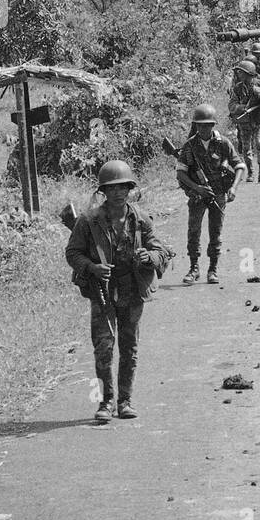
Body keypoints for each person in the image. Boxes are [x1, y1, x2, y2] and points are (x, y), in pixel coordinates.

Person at [65, 160, 173, 422]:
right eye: (112, 188)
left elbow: (162, 250)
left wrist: (150, 257)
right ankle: (106, 402)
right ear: (103, 191)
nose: (118, 193)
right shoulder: (88, 221)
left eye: (123, 187)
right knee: (103, 347)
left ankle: (125, 401)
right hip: (102, 291)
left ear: (130, 189)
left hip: (133, 289)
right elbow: (72, 253)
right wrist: (91, 267)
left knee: (129, 347)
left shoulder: (140, 219)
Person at [171, 104, 246, 285]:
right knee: (194, 232)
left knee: (216, 233)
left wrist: (233, 188)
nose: (203, 128)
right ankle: (194, 268)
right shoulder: (189, 146)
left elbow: (240, 166)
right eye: (200, 125)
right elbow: (181, 172)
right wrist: (197, 188)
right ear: (195, 126)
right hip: (197, 195)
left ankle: (213, 269)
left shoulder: (223, 143)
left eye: (207, 125)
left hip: (218, 194)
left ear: (213, 125)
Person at [229, 59, 260, 183]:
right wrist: (243, 107)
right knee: (246, 148)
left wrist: (258, 92)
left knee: (259, 144)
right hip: (245, 122)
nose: (238, 74)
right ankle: (250, 172)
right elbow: (231, 106)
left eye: (241, 72)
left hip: (259, 120)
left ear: (248, 73)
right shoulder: (237, 88)